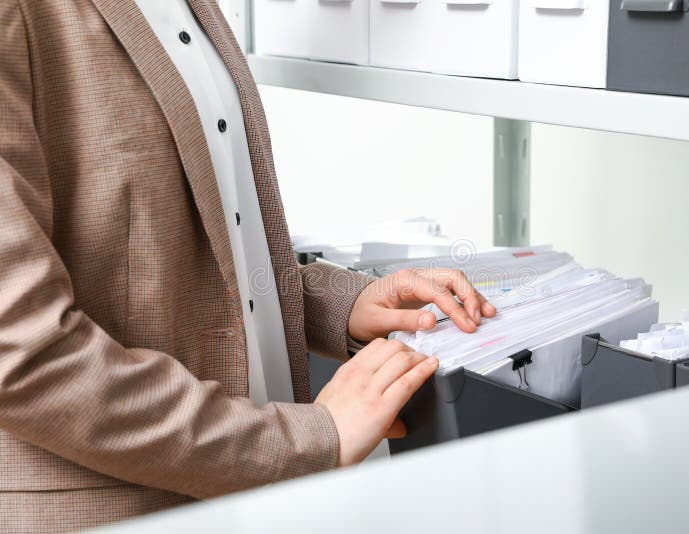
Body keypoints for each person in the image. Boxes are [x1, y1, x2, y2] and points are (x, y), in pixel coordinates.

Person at [0, 0, 496, 531]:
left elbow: (190, 256)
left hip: (261, 502)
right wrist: (307, 442)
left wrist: (340, 304)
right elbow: (23, 351)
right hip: (124, 510)